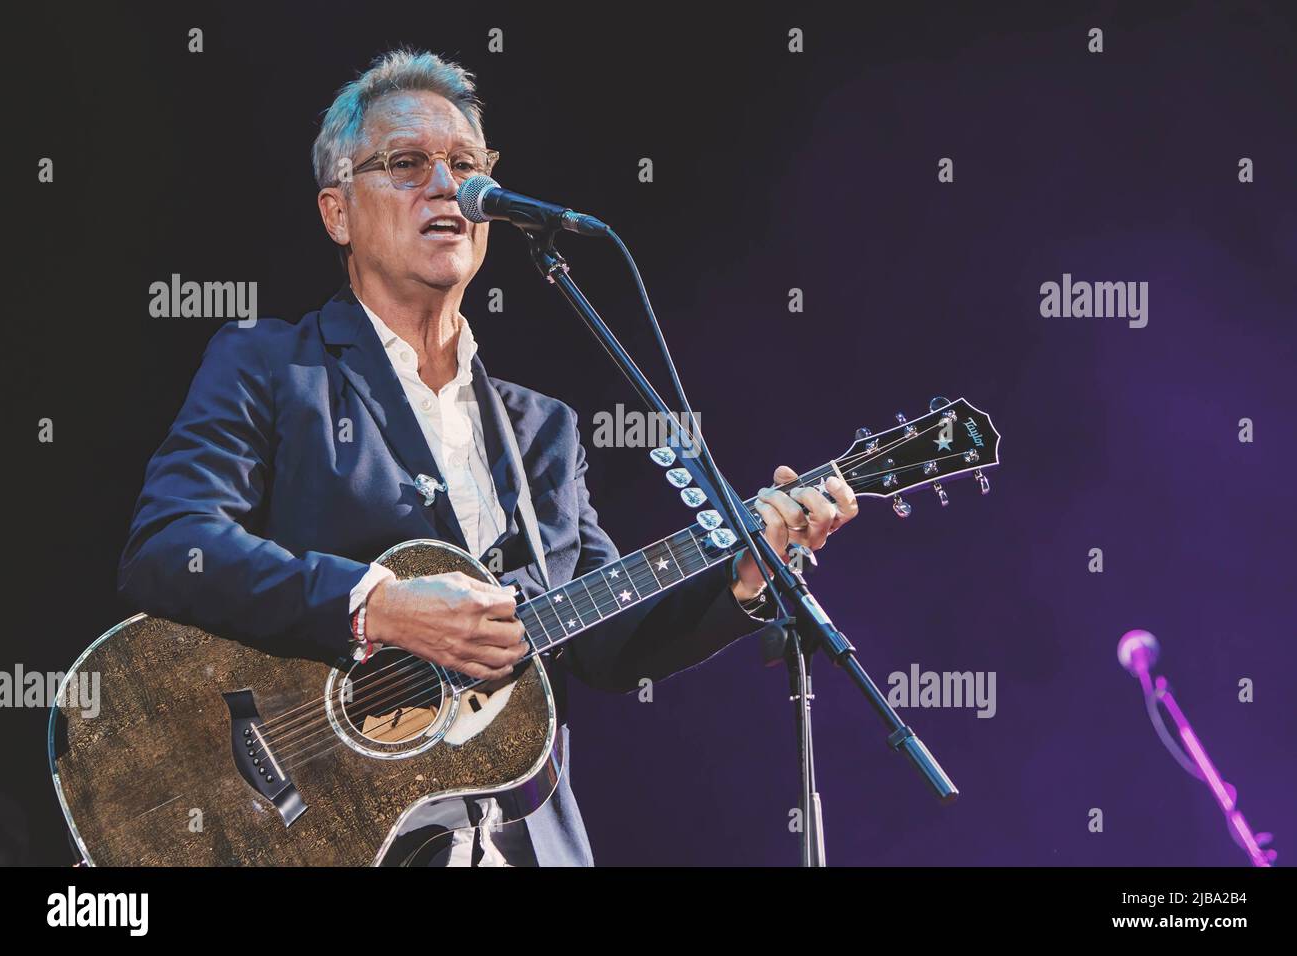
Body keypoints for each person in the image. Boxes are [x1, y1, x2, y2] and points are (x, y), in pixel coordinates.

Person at [118, 49, 858, 865]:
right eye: (407, 164)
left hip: (523, 844)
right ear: (338, 213)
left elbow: (604, 641)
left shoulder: (543, 430)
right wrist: (377, 605)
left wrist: (741, 575)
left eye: (466, 165)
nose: (447, 186)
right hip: (332, 831)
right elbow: (169, 547)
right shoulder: (269, 366)